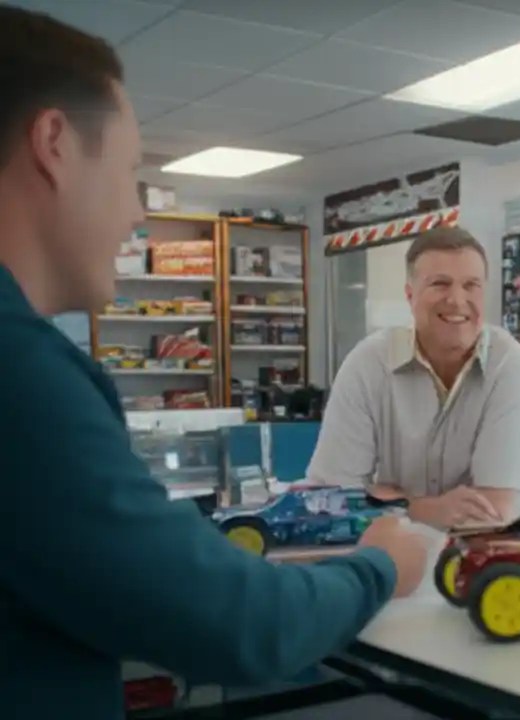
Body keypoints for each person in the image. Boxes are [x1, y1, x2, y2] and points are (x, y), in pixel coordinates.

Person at [0, 9, 428, 719]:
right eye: (130, 171)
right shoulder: (21, 372)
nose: (136, 214)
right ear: (54, 143)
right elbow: (240, 625)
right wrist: (381, 566)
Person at [307, 227, 520, 529]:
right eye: (440, 284)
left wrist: (391, 502)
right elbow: (328, 498)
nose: (457, 300)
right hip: (387, 563)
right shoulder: (368, 365)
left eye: (471, 285)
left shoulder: (513, 369)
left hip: (488, 565)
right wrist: (426, 510)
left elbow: (494, 512)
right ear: (410, 295)